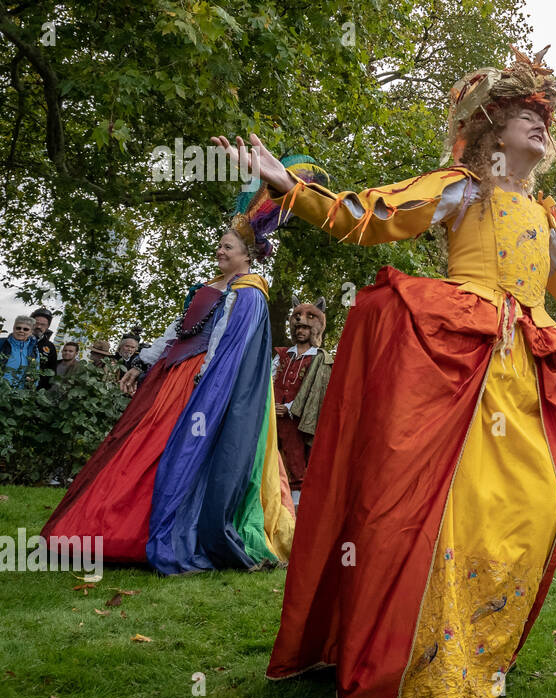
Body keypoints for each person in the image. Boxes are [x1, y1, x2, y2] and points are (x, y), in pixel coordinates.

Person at [244, 47, 556, 698]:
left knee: (538, 511)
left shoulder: (546, 219)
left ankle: (479, 651)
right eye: (523, 112)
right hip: (457, 364)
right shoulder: (462, 187)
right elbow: (374, 215)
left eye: (546, 116)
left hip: (528, 375)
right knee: (453, 510)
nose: (540, 124)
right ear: (491, 127)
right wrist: (290, 188)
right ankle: (432, 670)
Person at [41, 217, 296, 574]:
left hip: (198, 385)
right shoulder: (210, 285)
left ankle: (152, 533)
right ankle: (104, 526)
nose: (220, 251)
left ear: (247, 255)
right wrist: (141, 363)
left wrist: (206, 382)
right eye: (220, 245)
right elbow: (179, 329)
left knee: (172, 453)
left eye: (228, 247)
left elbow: (227, 345)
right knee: (139, 448)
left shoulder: (249, 291)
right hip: (171, 375)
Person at [273, 297, 331, 501]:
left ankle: (296, 508)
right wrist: (270, 405)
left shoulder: (320, 358)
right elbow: (268, 380)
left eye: (306, 328)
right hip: (271, 416)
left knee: (296, 462)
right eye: (297, 326)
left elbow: (316, 392)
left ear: (314, 329)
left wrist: (289, 408)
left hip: (297, 422)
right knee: (267, 458)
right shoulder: (281, 355)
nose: (301, 330)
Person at [1, 316, 41, 387]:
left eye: (26, 329)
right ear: (13, 328)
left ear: (31, 332)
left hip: (20, 394)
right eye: (18, 328)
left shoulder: (34, 350)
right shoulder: (1, 343)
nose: (21, 331)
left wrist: (33, 383)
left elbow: (36, 372)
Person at [30, 307, 58, 389]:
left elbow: (52, 372)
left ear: (48, 326)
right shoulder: (19, 340)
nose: (38, 326)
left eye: (43, 325)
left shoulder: (50, 347)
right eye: (36, 323)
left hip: (35, 391)